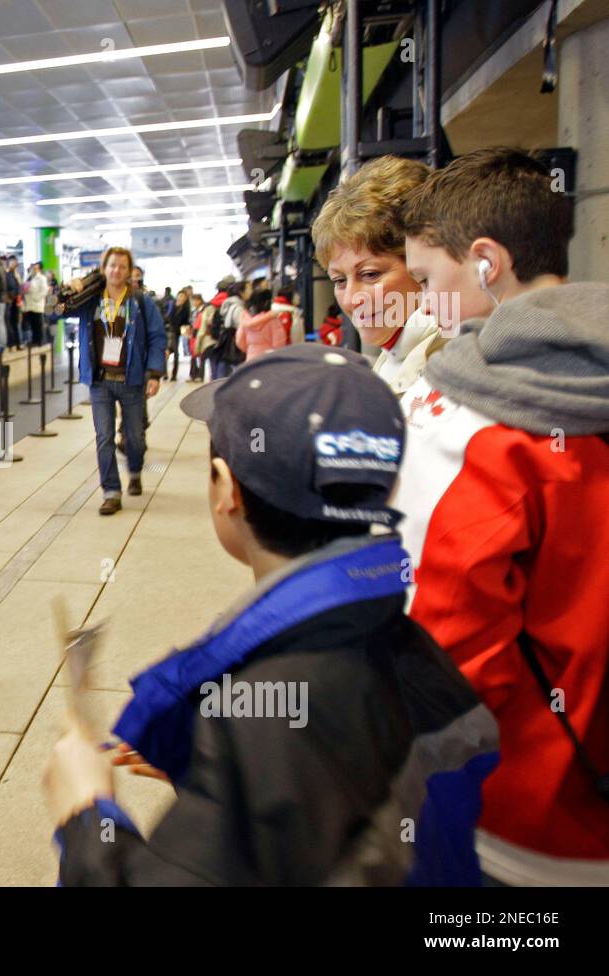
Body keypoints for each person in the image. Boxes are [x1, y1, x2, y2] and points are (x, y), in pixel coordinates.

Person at [44, 343, 500, 885]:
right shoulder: (408, 646)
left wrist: (85, 816)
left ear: (225, 489)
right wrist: (221, 789)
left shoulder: (268, 708)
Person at [393, 147, 609, 885]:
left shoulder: (479, 424)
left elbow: (446, 647)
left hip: (515, 827)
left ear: (486, 262)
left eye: (426, 280)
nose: (421, 305)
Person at [312, 155, 445, 394]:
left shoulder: (450, 367)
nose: (352, 299)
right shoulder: (397, 354)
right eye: (340, 281)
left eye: (371, 275)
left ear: (425, 265)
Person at [64, 246, 164, 515]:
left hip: (131, 380)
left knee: (135, 437)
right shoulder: (89, 300)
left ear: (130, 270)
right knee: (104, 437)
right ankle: (111, 491)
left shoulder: (141, 303)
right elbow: (57, 311)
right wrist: (69, 288)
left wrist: (154, 374)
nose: (116, 271)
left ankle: (134, 470)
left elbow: (157, 338)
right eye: (112, 265)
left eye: (122, 266)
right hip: (100, 381)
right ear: (103, 268)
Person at [203, 278, 248, 381]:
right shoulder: (238, 306)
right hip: (233, 342)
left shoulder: (213, 305)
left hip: (217, 342)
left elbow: (206, 325)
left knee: (217, 372)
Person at [235, 288, 288, 362]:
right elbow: (279, 345)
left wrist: (251, 349)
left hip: (250, 360)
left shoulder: (245, 320)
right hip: (268, 361)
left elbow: (239, 341)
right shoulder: (273, 320)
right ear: (267, 302)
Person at [22, 261, 48, 347]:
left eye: (35, 268)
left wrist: (36, 298)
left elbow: (44, 291)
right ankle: (33, 341)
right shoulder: (29, 277)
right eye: (33, 267)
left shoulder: (42, 278)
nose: (33, 269)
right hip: (29, 305)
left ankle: (39, 341)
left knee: (38, 324)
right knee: (32, 324)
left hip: (37, 305)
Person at [4, 254, 24, 348]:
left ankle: (17, 343)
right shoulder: (7, 273)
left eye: (15, 261)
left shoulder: (16, 274)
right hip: (10, 301)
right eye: (12, 261)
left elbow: (19, 287)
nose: (14, 263)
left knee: (15, 323)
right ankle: (12, 343)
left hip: (16, 301)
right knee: (10, 323)